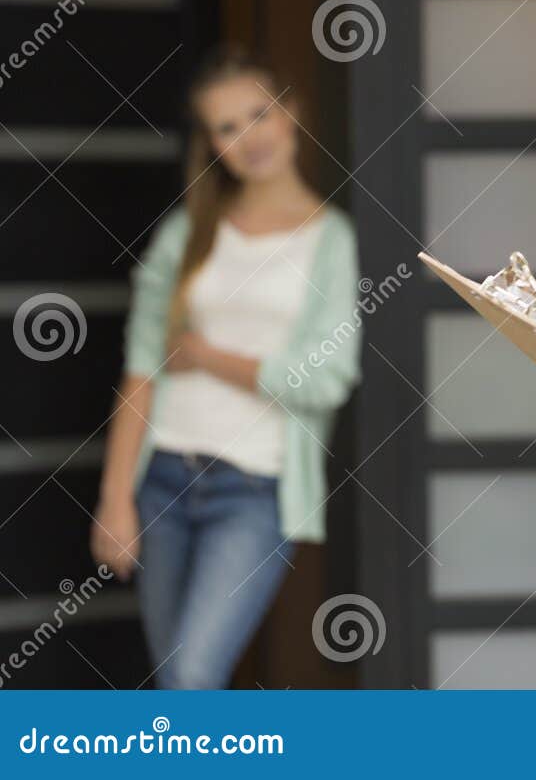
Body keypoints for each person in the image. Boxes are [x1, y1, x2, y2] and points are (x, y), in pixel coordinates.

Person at [91, 45, 362, 689]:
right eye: (227, 127)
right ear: (211, 144)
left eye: (258, 115)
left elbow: (326, 379)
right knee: (174, 683)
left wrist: (209, 357)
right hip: (161, 481)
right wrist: (115, 498)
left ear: (290, 115)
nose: (249, 138)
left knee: (191, 677)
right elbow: (141, 372)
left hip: (254, 493)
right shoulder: (186, 235)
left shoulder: (331, 241)